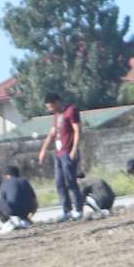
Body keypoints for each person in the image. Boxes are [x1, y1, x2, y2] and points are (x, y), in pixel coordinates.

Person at [37, 91, 84, 220]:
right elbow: (52, 133)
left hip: (68, 153)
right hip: (58, 153)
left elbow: (77, 131)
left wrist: (74, 150)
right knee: (59, 183)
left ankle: (79, 210)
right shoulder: (57, 115)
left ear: (57, 102)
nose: (50, 109)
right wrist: (43, 150)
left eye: (51, 107)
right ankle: (66, 211)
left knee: (71, 182)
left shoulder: (71, 111)